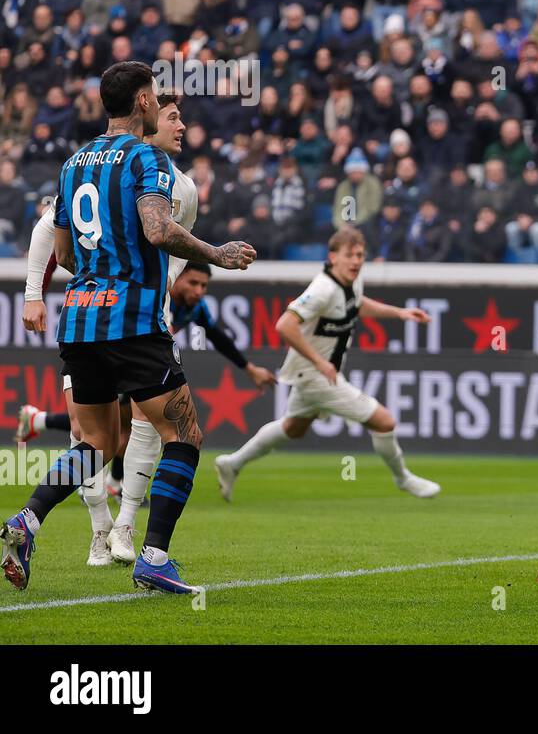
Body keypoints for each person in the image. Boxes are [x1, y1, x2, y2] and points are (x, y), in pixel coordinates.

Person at [1, 62, 257, 595]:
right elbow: (158, 229)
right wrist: (218, 253)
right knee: (184, 434)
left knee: (96, 441)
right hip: (134, 319)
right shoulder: (148, 158)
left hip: (80, 318)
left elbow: (66, 250)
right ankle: (155, 556)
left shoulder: (73, 165)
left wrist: (99, 270)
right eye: (156, 96)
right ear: (143, 102)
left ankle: (27, 521)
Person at [213, 228, 438, 500]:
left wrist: (400, 313)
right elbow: (285, 325)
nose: (356, 261)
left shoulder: (350, 281)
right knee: (384, 421)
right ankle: (404, 478)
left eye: (360, 255)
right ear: (333, 257)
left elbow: (356, 304)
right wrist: (320, 362)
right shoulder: (323, 289)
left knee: (293, 428)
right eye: (349, 255)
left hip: (315, 373)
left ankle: (231, 463)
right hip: (315, 375)